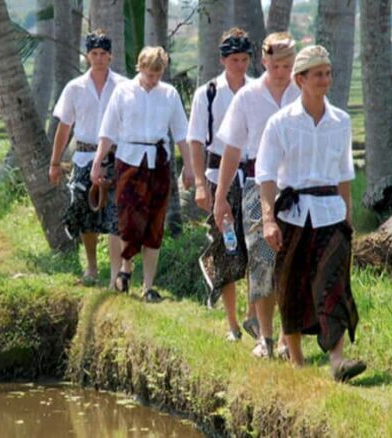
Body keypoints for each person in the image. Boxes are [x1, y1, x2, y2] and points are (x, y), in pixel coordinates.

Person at [256, 45, 366, 382]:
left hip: (330, 214)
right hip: (292, 215)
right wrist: (268, 220)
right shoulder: (280, 123)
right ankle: (297, 361)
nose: (325, 80)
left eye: (328, 73)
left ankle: (337, 361)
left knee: (334, 282)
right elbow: (266, 174)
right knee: (290, 284)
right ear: (300, 79)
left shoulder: (341, 121)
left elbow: (345, 174)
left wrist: (348, 219)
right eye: (318, 74)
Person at [214, 32, 300, 358]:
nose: (282, 72)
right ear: (264, 62)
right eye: (277, 65)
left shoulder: (302, 92)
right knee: (262, 260)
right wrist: (221, 197)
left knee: (290, 262)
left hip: (295, 185)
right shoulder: (247, 97)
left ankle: (285, 338)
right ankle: (265, 336)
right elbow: (232, 151)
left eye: (288, 65)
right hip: (254, 185)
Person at [92, 46, 193, 303]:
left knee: (154, 223)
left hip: (158, 162)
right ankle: (122, 270)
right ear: (140, 68)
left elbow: (181, 133)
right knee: (125, 219)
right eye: (148, 74)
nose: (152, 80)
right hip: (128, 160)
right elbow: (107, 131)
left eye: (157, 75)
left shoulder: (169, 94)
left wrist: (190, 168)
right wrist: (97, 163)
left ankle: (148, 286)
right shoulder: (123, 92)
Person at [187, 27, 258, 341]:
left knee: (258, 247)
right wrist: (201, 184)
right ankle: (231, 324)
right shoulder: (208, 93)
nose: (239, 65)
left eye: (244, 59)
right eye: (234, 59)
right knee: (226, 245)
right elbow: (195, 141)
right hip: (219, 180)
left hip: (254, 179)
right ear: (223, 59)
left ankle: (253, 315)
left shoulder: (258, 91)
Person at [50, 30, 126, 289]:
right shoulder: (74, 88)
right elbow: (64, 127)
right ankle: (92, 266)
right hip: (83, 156)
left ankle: (120, 271)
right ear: (87, 56)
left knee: (116, 212)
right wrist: (55, 162)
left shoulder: (124, 86)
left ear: (111, 56)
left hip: (116, 156)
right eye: (94, 53)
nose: (99, 58)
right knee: (85, 212)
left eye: (103, 54)